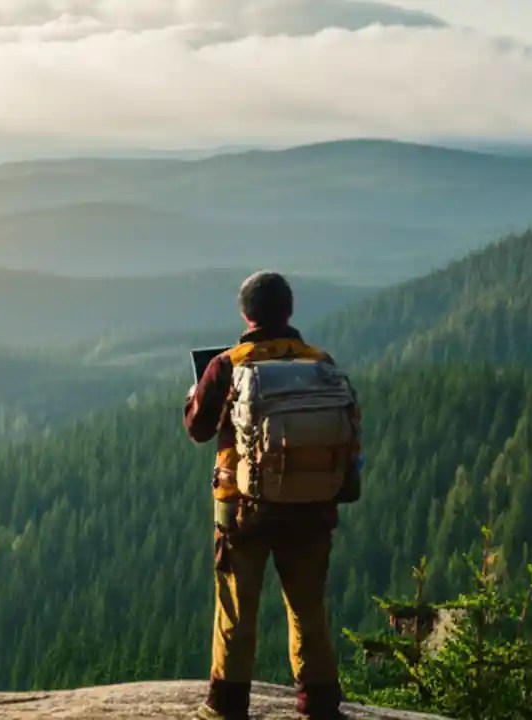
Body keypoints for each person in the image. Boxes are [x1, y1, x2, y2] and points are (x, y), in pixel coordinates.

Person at [184, 271, 353, 720]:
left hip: (244, 510)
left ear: (246, 314)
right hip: (313, 508)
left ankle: (226, 707)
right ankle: (317, 705)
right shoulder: (321, 363)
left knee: (237, 609)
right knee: (308, 609)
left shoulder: (228, 364)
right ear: (289, 311)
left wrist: (194, 395)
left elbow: (198, 429)